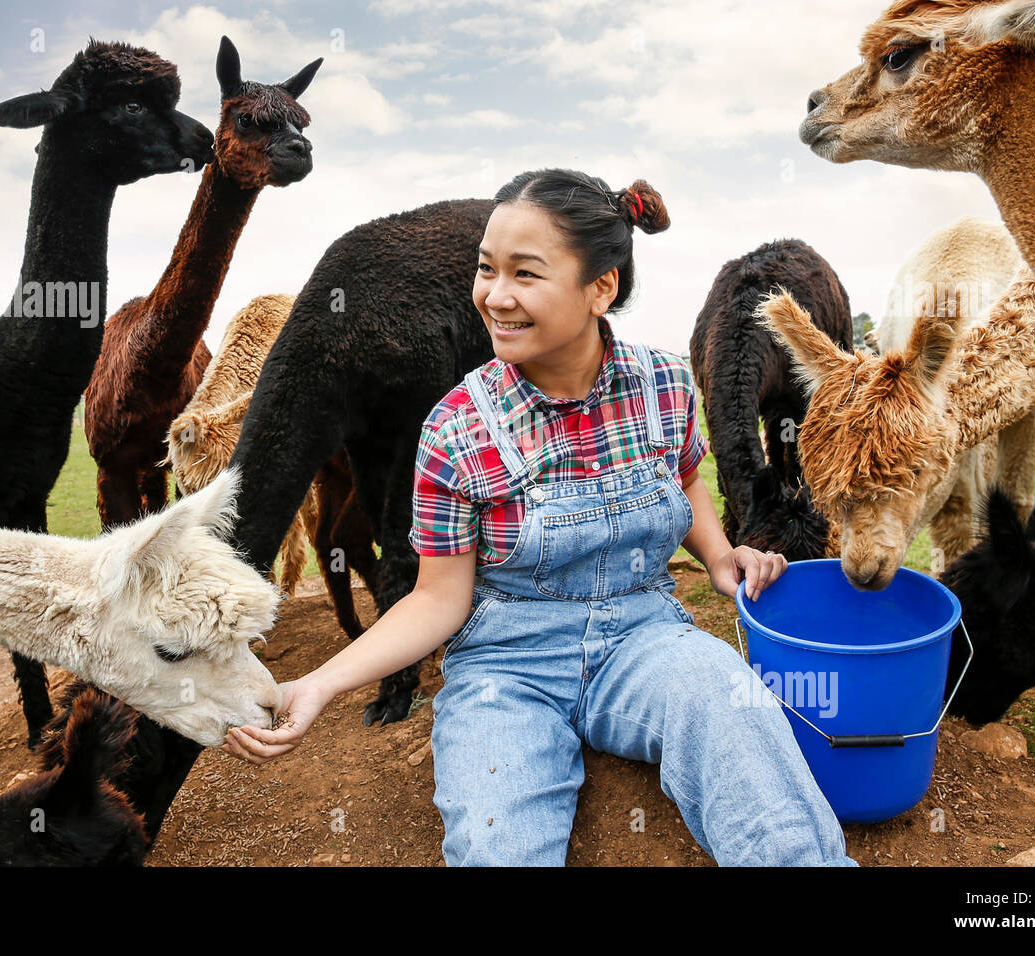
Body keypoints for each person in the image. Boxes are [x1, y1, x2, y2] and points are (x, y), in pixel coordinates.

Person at [223, 168, 856, 867]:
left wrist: (717, 557)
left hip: (646, 637)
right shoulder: (455, 427)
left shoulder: (664, 385)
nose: (495, 296)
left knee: (738, 726)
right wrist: (319, 683)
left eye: (525, 274)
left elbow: (682, 480)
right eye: (486, 269)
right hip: (506, 666)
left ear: (601, 287)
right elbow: (439, 597)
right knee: (499, 848)